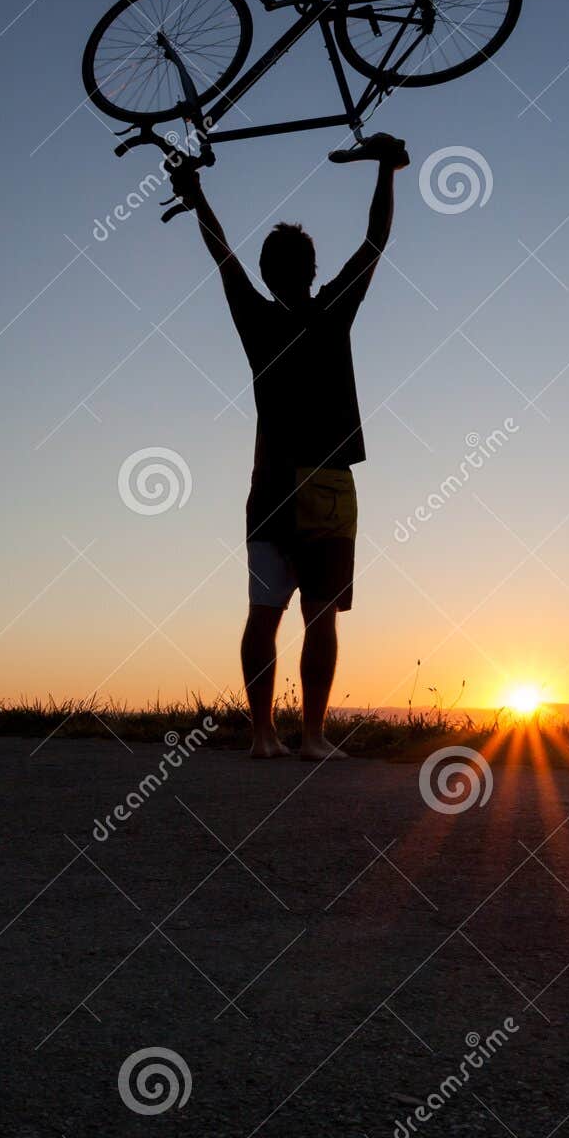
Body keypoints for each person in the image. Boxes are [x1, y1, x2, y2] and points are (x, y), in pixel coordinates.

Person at [168, 133, 410, 760]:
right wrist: (386, 166)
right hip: (326, 481)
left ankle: (261, 735)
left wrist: (197, 196)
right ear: (310, 269)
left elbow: (222, 257)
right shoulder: (331, 312)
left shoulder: (256, 317)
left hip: (271, 481)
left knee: (262, 614)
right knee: (320, 617)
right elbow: (376, 240)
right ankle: (312, 736)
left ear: (270, 272)